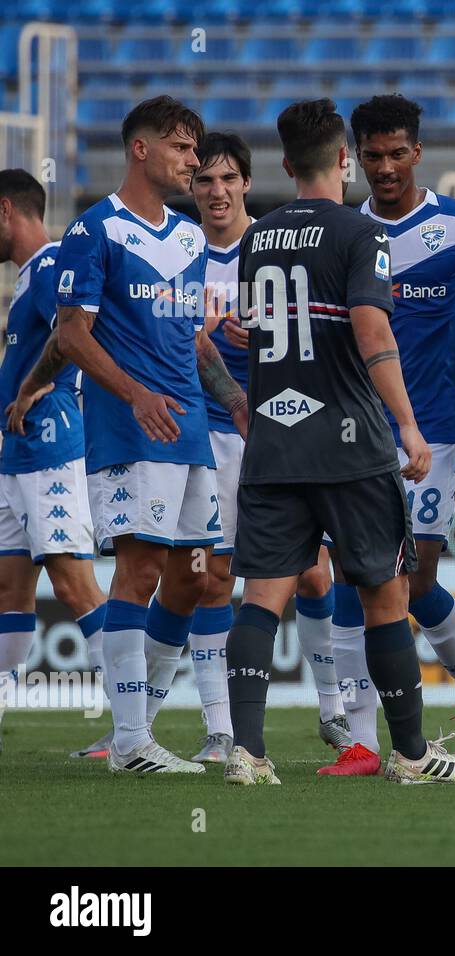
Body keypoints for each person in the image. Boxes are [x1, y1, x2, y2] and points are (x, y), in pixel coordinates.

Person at [221, 98, 455, 786]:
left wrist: (252, 408)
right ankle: (413, 756)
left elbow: (261, 340)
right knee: (385, 597)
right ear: (343, 159)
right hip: (349, 442)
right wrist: (410, 426)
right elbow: (372, 333)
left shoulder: (258, 238)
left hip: (275, 442)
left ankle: (246, 753)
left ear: (283, 164)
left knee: (261, 598)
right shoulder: (363, 235)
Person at [52, 96, 247, 774]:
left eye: (196, 150)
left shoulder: (191, 238)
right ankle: (130, 742)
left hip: (192, 429)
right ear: (141, 148)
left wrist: (234, 400)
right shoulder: (94, 230)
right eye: (183, 148)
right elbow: (69, 332)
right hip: (133, 430)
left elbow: (192, 336)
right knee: (137, 572)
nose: (195, 161)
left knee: (195, 578)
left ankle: (146, 728)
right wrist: (134, 395)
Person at [318, 93, 455, 777]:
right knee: (356, 577)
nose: (387, 167)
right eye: (372, 156)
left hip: (431, 428)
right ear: (354, 157)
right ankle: (366, 743)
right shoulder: (341, 231)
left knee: (413, 575)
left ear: (418, 152)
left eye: (398, 153)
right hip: (353, 433)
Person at [187, 131, 350, 766]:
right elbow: (180, 342)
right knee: (213, 578)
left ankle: (333, 708)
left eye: (228, 179)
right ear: (193, 188)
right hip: (216, 434)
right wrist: (215, 362)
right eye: (204, 180)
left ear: (248, 184)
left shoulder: (276, 244)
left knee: (312, 570)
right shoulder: (182, 254)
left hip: (289, 427)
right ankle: (220, 727)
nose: (217, 191)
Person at [0, 170, 109, 758]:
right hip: (16, 453)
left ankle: (129, 719)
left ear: (6, 210)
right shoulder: (28, 275)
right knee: (9, 587)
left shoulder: (48, 267)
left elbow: (77, 334)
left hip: (48, 445)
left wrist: (46, 386)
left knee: (72, 583)